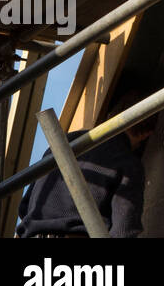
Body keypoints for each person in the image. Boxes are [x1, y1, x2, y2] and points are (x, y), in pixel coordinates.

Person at [16, 91, 156, 238]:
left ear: (110, 115)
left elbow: (24, 206)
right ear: (146, 134)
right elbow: (124, 231)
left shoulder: (65, 141)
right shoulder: (128, 164)